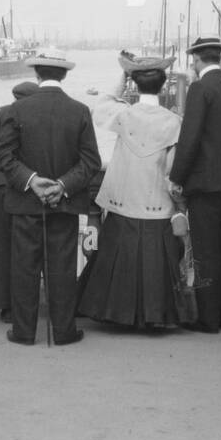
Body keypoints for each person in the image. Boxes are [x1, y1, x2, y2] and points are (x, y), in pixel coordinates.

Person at [0, 50, 101, 346]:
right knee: (63, 270)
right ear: (64, 75)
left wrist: (31, 181)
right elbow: (91, 162)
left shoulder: (14, 111)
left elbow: (2, 156)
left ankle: (24, 332)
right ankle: (65, 332)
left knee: (24, 269)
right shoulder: (80, 110)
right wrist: (62, 185)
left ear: (36, 74)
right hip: (64, 204)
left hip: (25, 202)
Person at [78, 55, 187, 329]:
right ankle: (155, 315)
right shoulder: (174, 121)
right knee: (156, 262)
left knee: (117, 258)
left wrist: (122, 77)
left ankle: (117, 313)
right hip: (157, 202)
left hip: (123, 200)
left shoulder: (123, 114)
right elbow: (174, 170)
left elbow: (102, 104)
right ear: (163, 86)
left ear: (134, 85)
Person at [168, 36, 221, 333]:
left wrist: (177, 176)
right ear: (218, 57)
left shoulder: (199, 89)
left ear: (196, 60)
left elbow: (189, 138)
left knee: (205, 253)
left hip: (205, 184)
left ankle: (208, 318)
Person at [0, 81, 39, 323]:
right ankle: (27, 304)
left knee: (0, 248)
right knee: (25, 249)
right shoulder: (38, 114)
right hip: (27, 186)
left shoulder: (3, 112)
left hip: (0, 184)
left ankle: (5, 306)